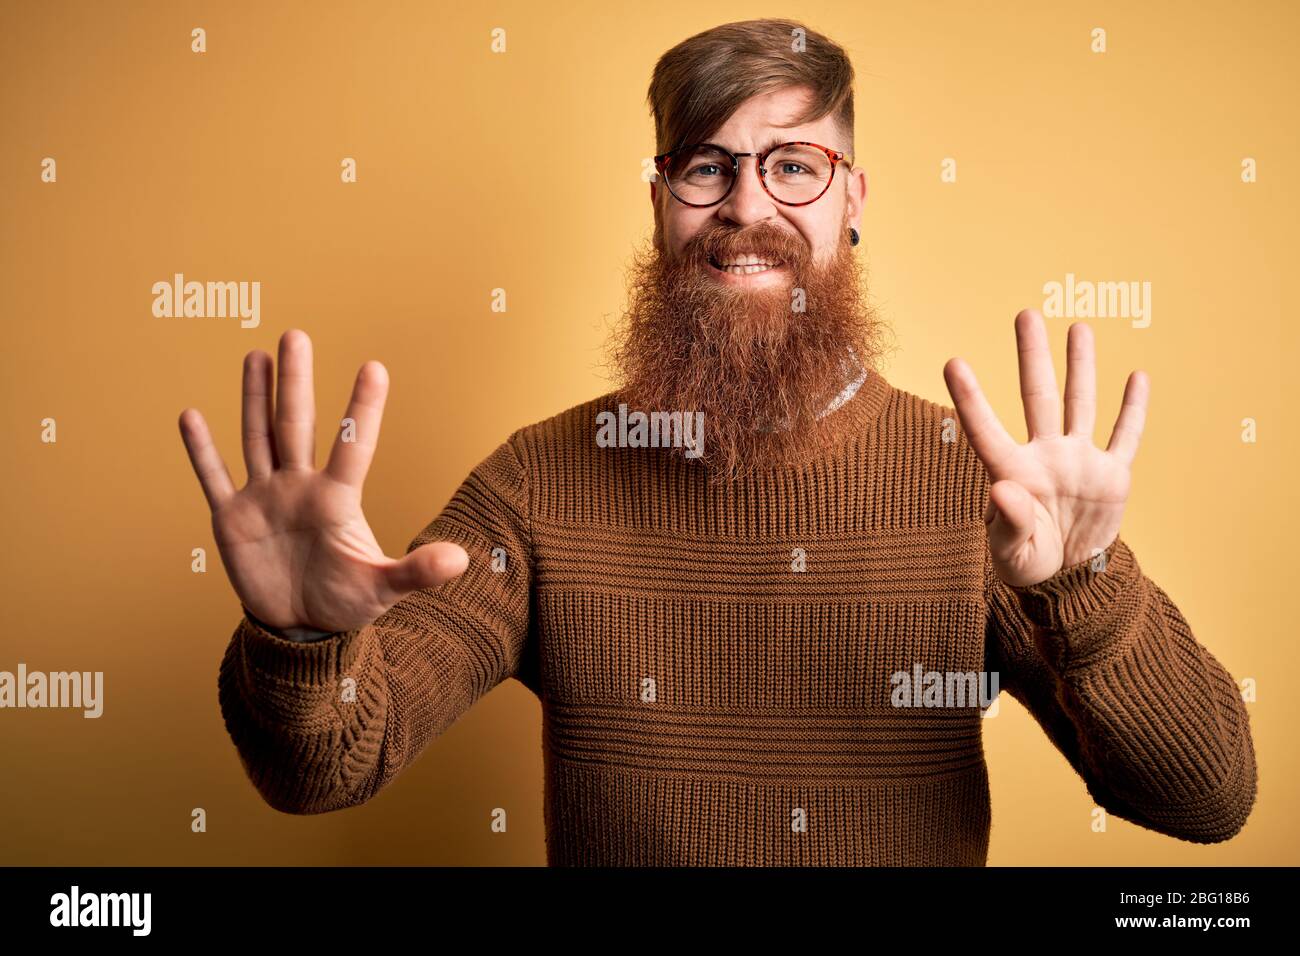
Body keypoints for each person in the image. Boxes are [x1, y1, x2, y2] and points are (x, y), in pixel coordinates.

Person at [178, 18, 1256, 865]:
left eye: (795, 165)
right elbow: (330, 765)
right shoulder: (537, 484)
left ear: (854, 203)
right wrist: (301, 641)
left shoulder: (986, 497)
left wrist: (1087, 584)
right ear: (660, 205)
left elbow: (1207, 801)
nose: (748, 207)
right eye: (706, 167)